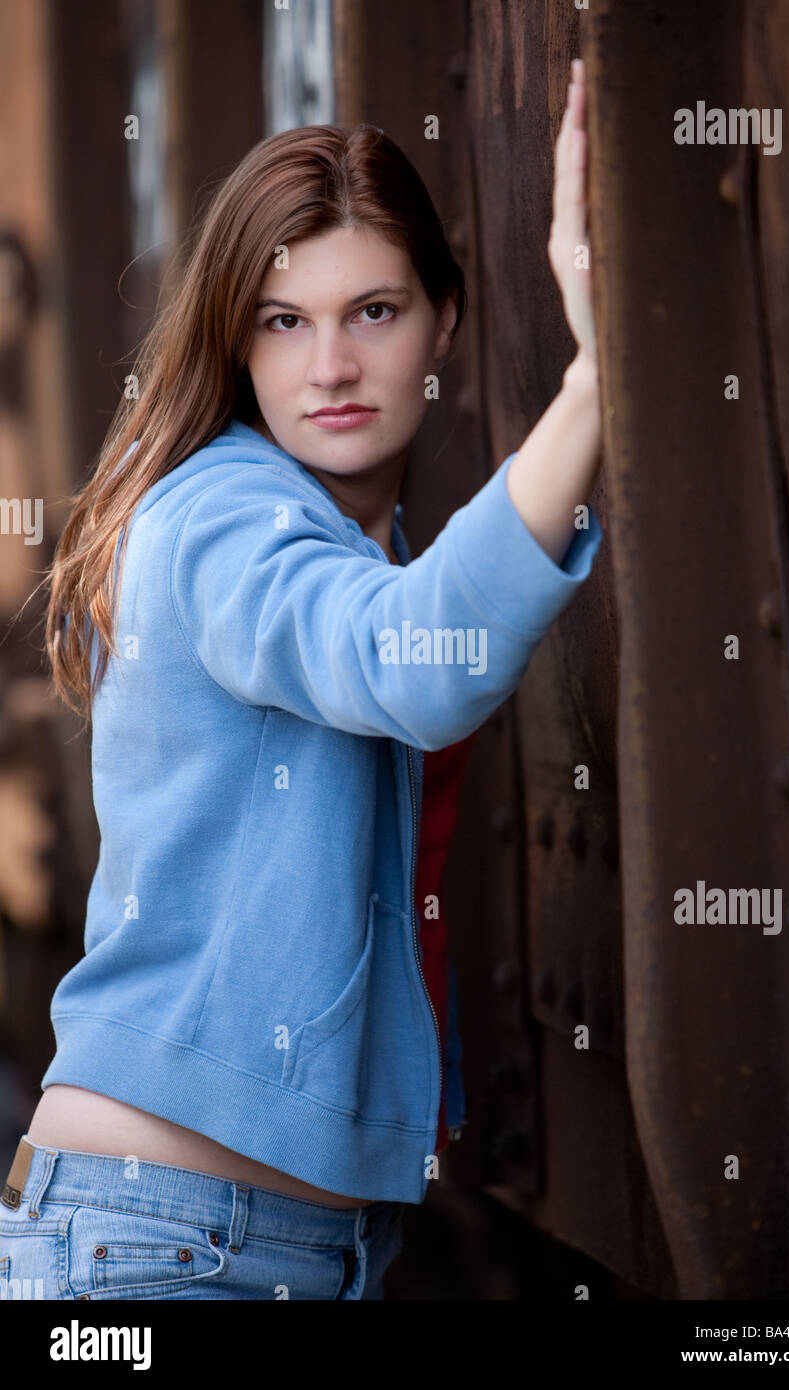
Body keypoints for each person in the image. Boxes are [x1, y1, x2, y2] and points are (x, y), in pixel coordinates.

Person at [0, 59, 602, 1300]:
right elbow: (410, 659)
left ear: (444, 319)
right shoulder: (221, 516)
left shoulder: (344, 541)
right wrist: (601, 381)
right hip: (157, 1247)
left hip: (259, 1245)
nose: (329, 363)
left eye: (372, 311)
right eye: (284, 320)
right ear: (238, 342)